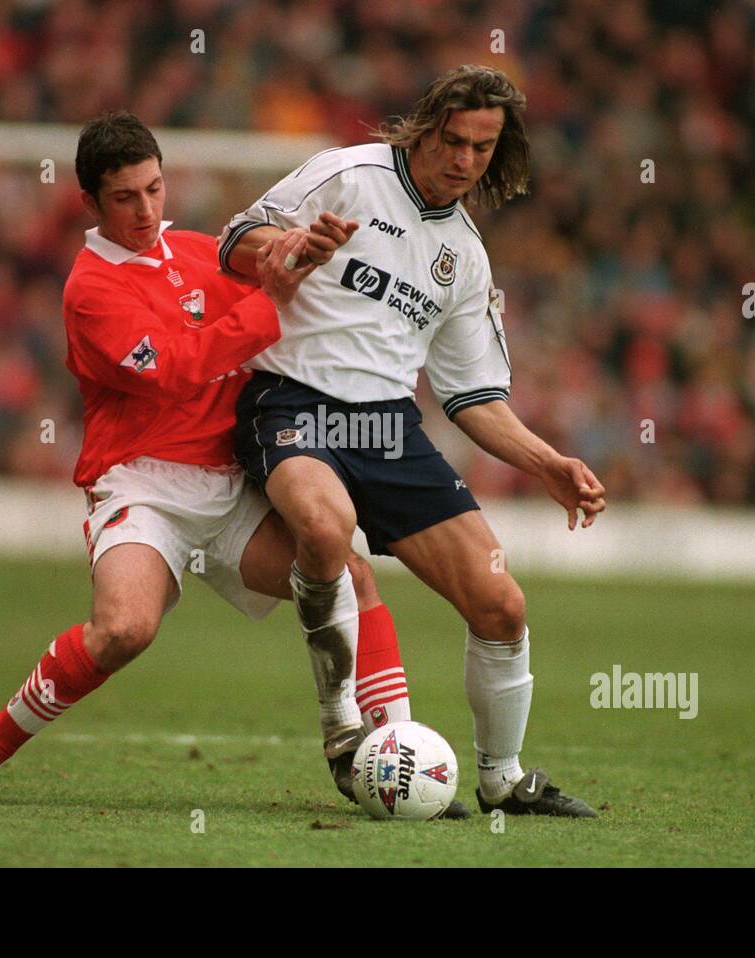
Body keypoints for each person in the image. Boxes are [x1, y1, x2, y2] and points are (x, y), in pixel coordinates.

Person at [0, 112, 470, 818]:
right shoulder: (90, 291)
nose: (146, 210)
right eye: (125, 198)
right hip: (145, 486)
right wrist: (270, 296)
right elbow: (177, 368)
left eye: (154, 188)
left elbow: (281, 291)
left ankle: (382, 756)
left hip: (230, 485)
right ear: (90, 202)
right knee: (124, 631)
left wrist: (301, 254)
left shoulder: (201, 251)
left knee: (348, 568)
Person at [219, 65, 607, 817]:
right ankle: (344, 734)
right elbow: (236, 239)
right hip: (291, 403)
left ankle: (502, 779)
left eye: (482, 148)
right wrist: (288, 246)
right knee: (326, 531)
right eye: (453, 141)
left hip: (388, 427)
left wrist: (547, 462)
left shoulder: (464, 255)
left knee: (501, 604)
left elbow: (472, 398)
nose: (463, 160)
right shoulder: (348, 174)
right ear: (424, 129)